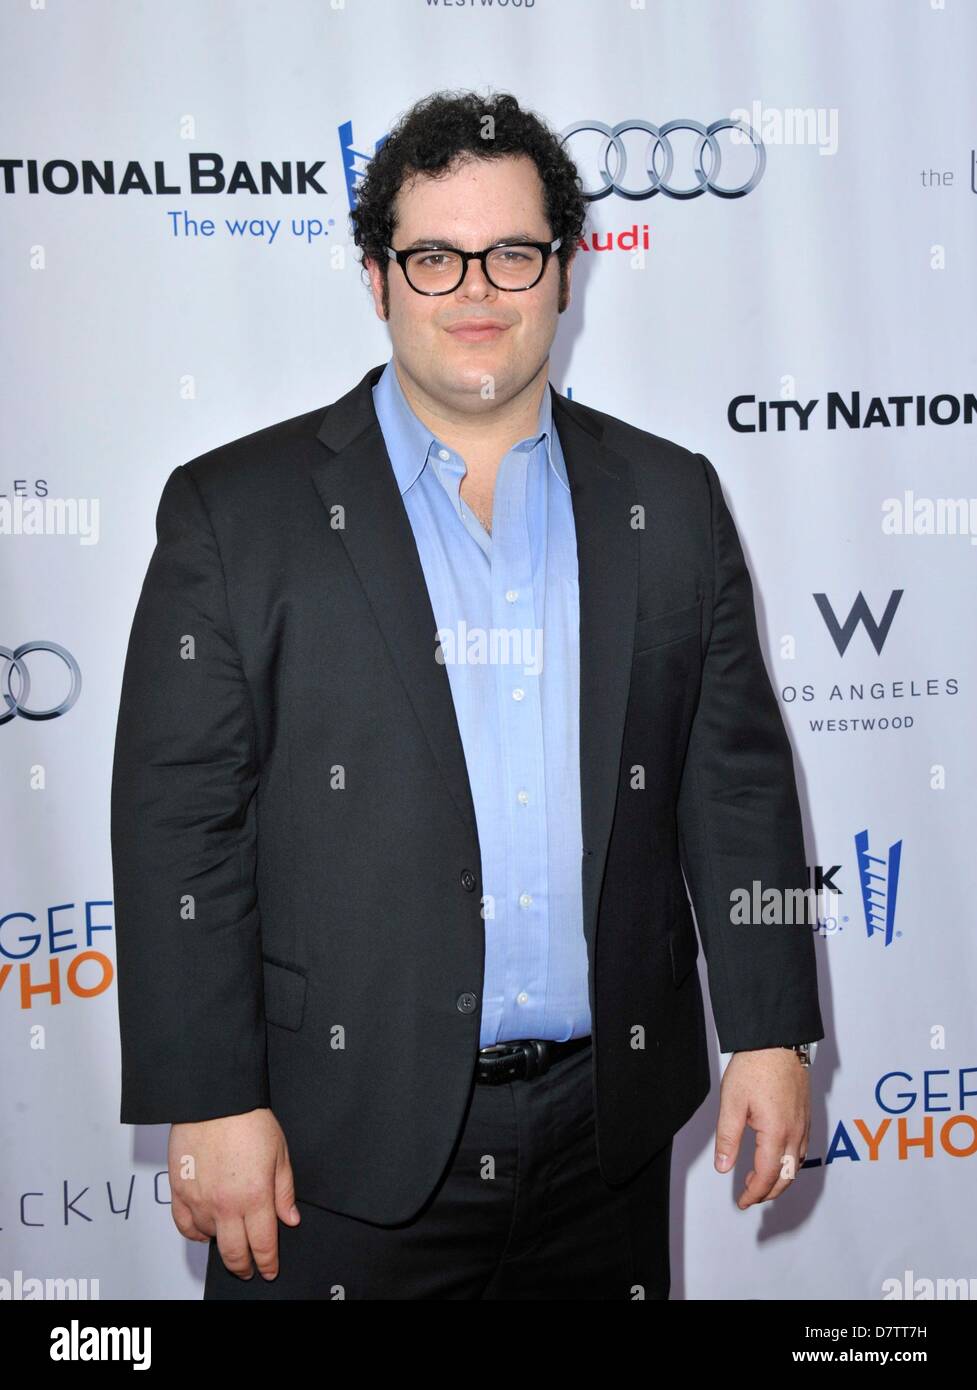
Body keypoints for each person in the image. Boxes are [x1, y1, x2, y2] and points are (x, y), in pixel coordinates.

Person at [111, 89, 824, 1301]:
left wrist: (766, 1025)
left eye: (511, 253)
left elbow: (734, 781)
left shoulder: (670, 498)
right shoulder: (237, 512)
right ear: (378, 278)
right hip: (331, 1147)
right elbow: (182, 821)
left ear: (562, 273)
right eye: (434, 257)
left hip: (603, 1136)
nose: (477, 290)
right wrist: (212, 1093)